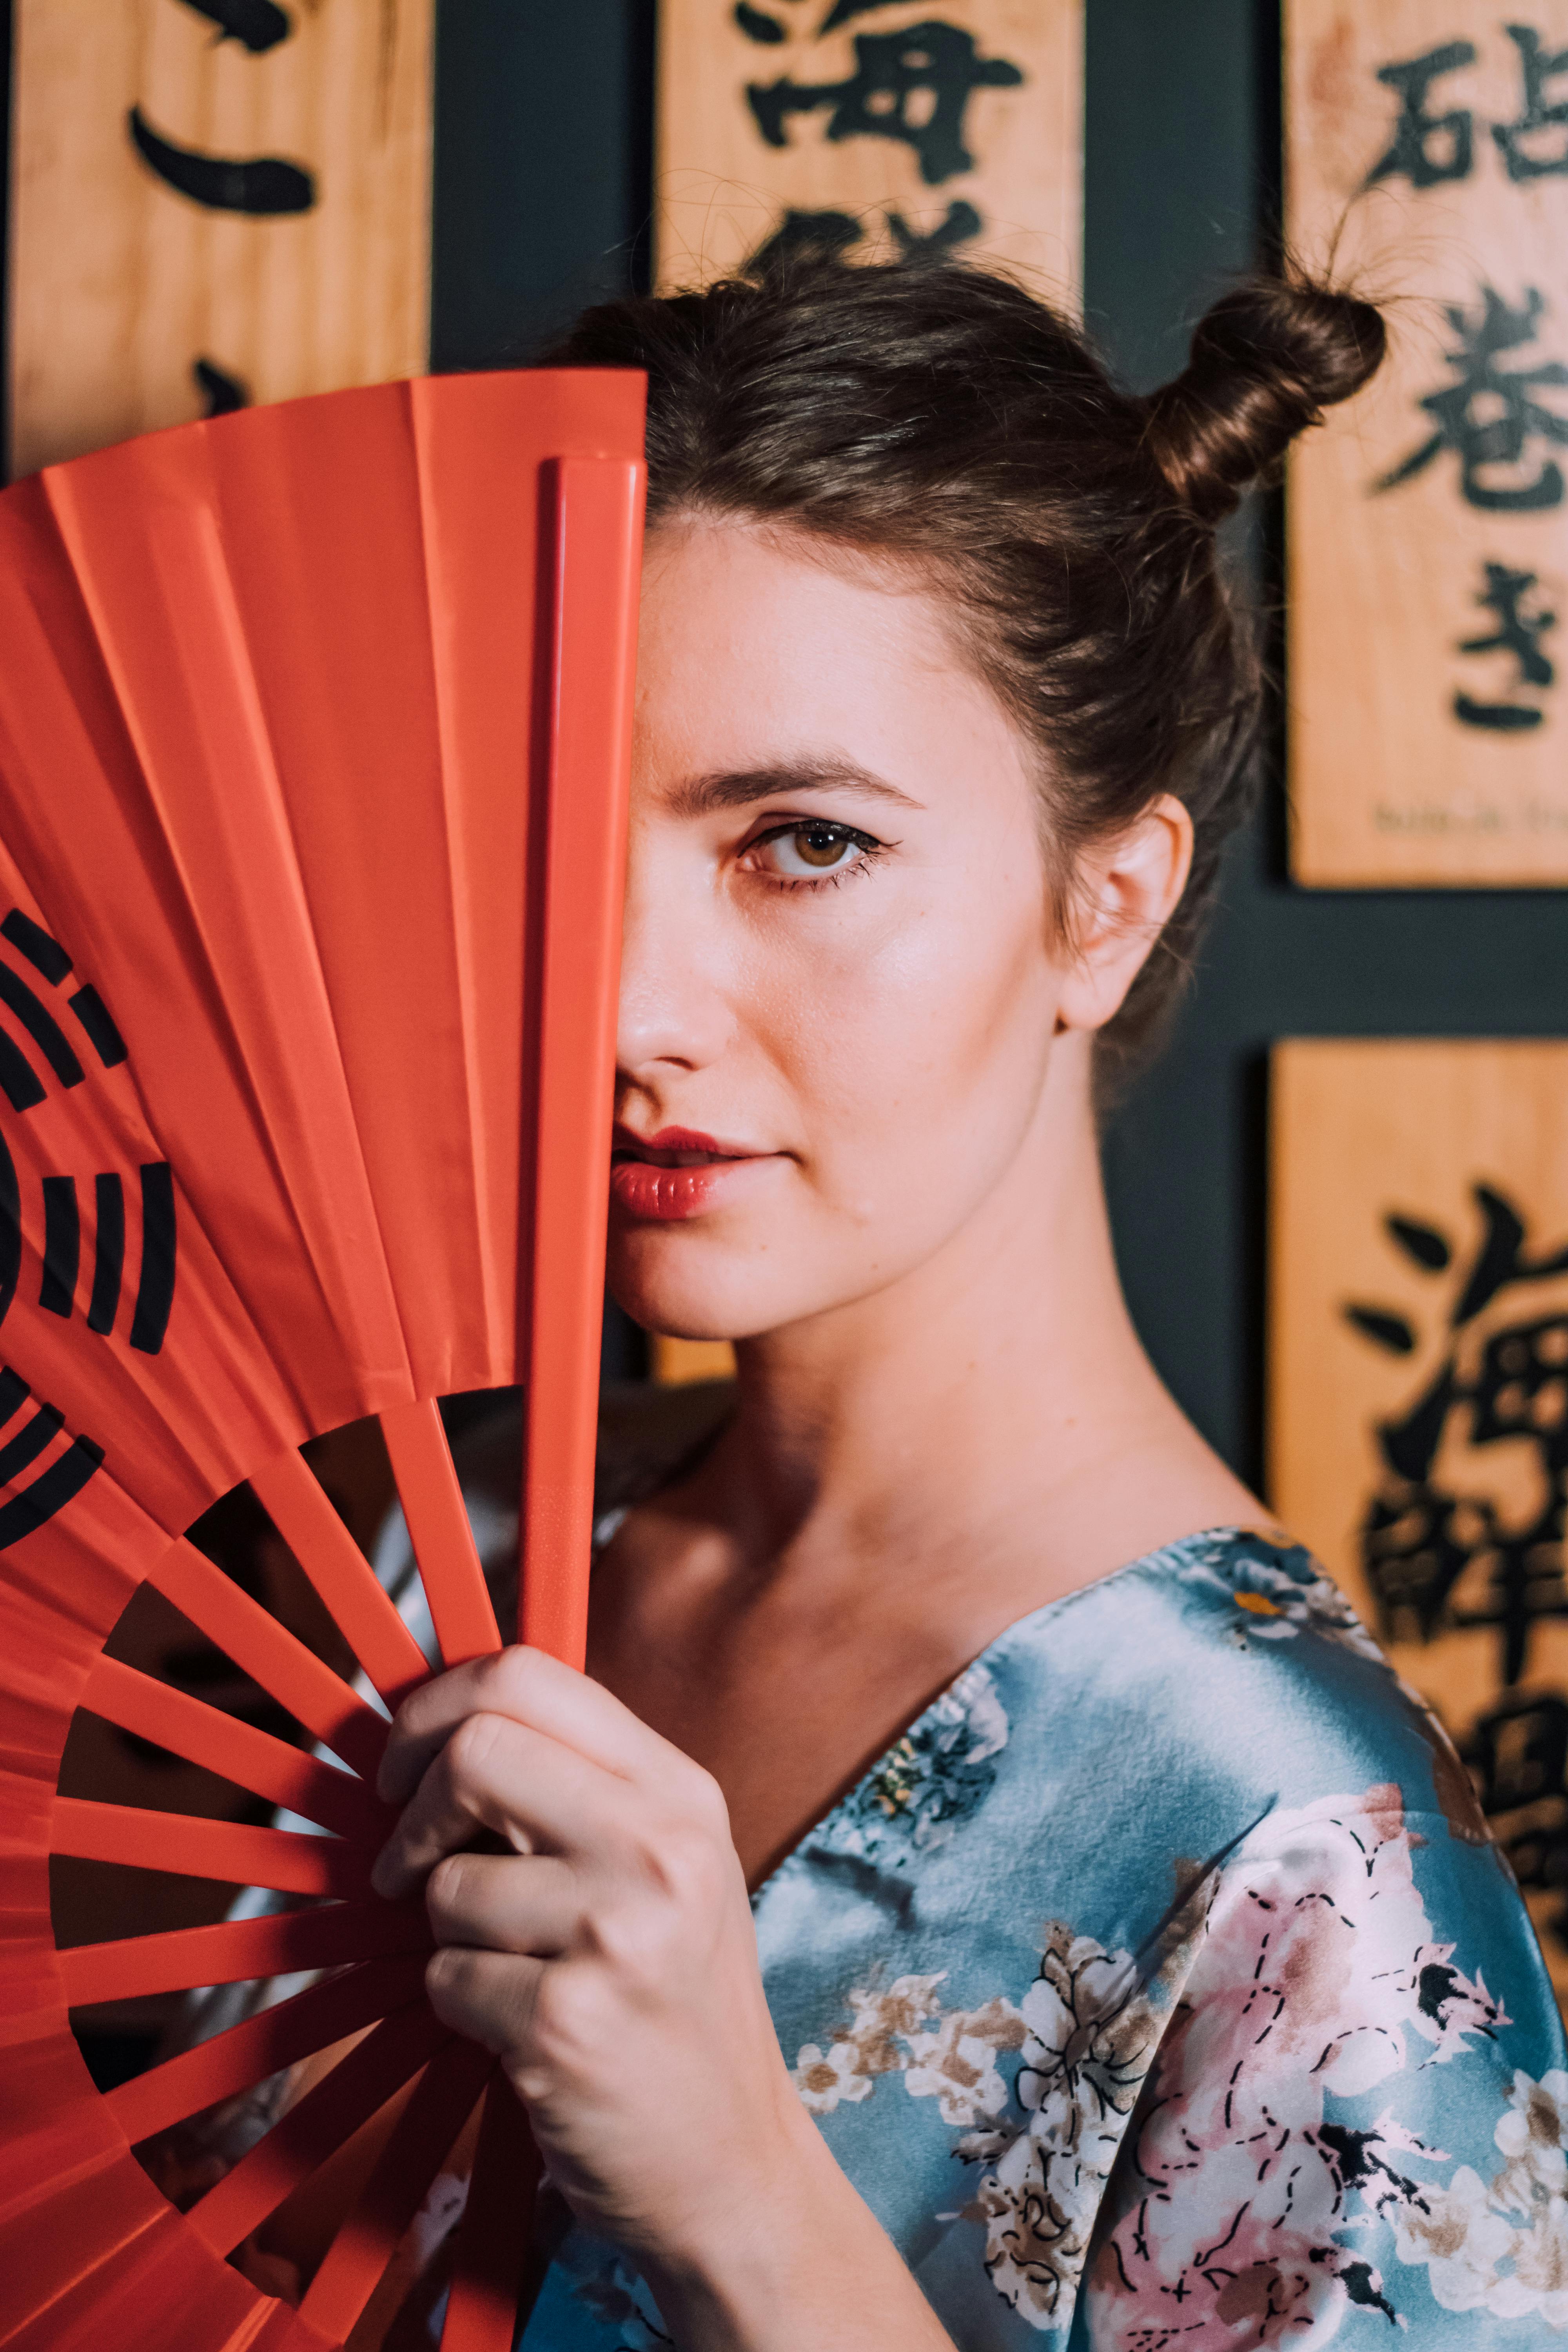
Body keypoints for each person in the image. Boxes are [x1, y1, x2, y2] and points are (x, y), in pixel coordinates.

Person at [279, 255, 1568, 2343]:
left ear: (1102, 905)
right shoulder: (421, 1547)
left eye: (801, 842)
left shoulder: (1298, 1856)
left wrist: (742, 2200)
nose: (622, 1009)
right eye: (538, 840)